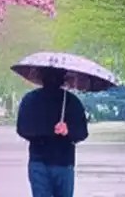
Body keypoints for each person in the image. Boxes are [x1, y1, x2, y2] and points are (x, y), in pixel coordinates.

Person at [15, 67, 89, 197]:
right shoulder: (72, 101)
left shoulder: (30, 100)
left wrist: (41, 132)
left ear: (40, 77)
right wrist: (68, 131)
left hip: (39, 161)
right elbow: (82, 132)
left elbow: (22, 129)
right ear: (64, 78)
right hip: (64, 162)